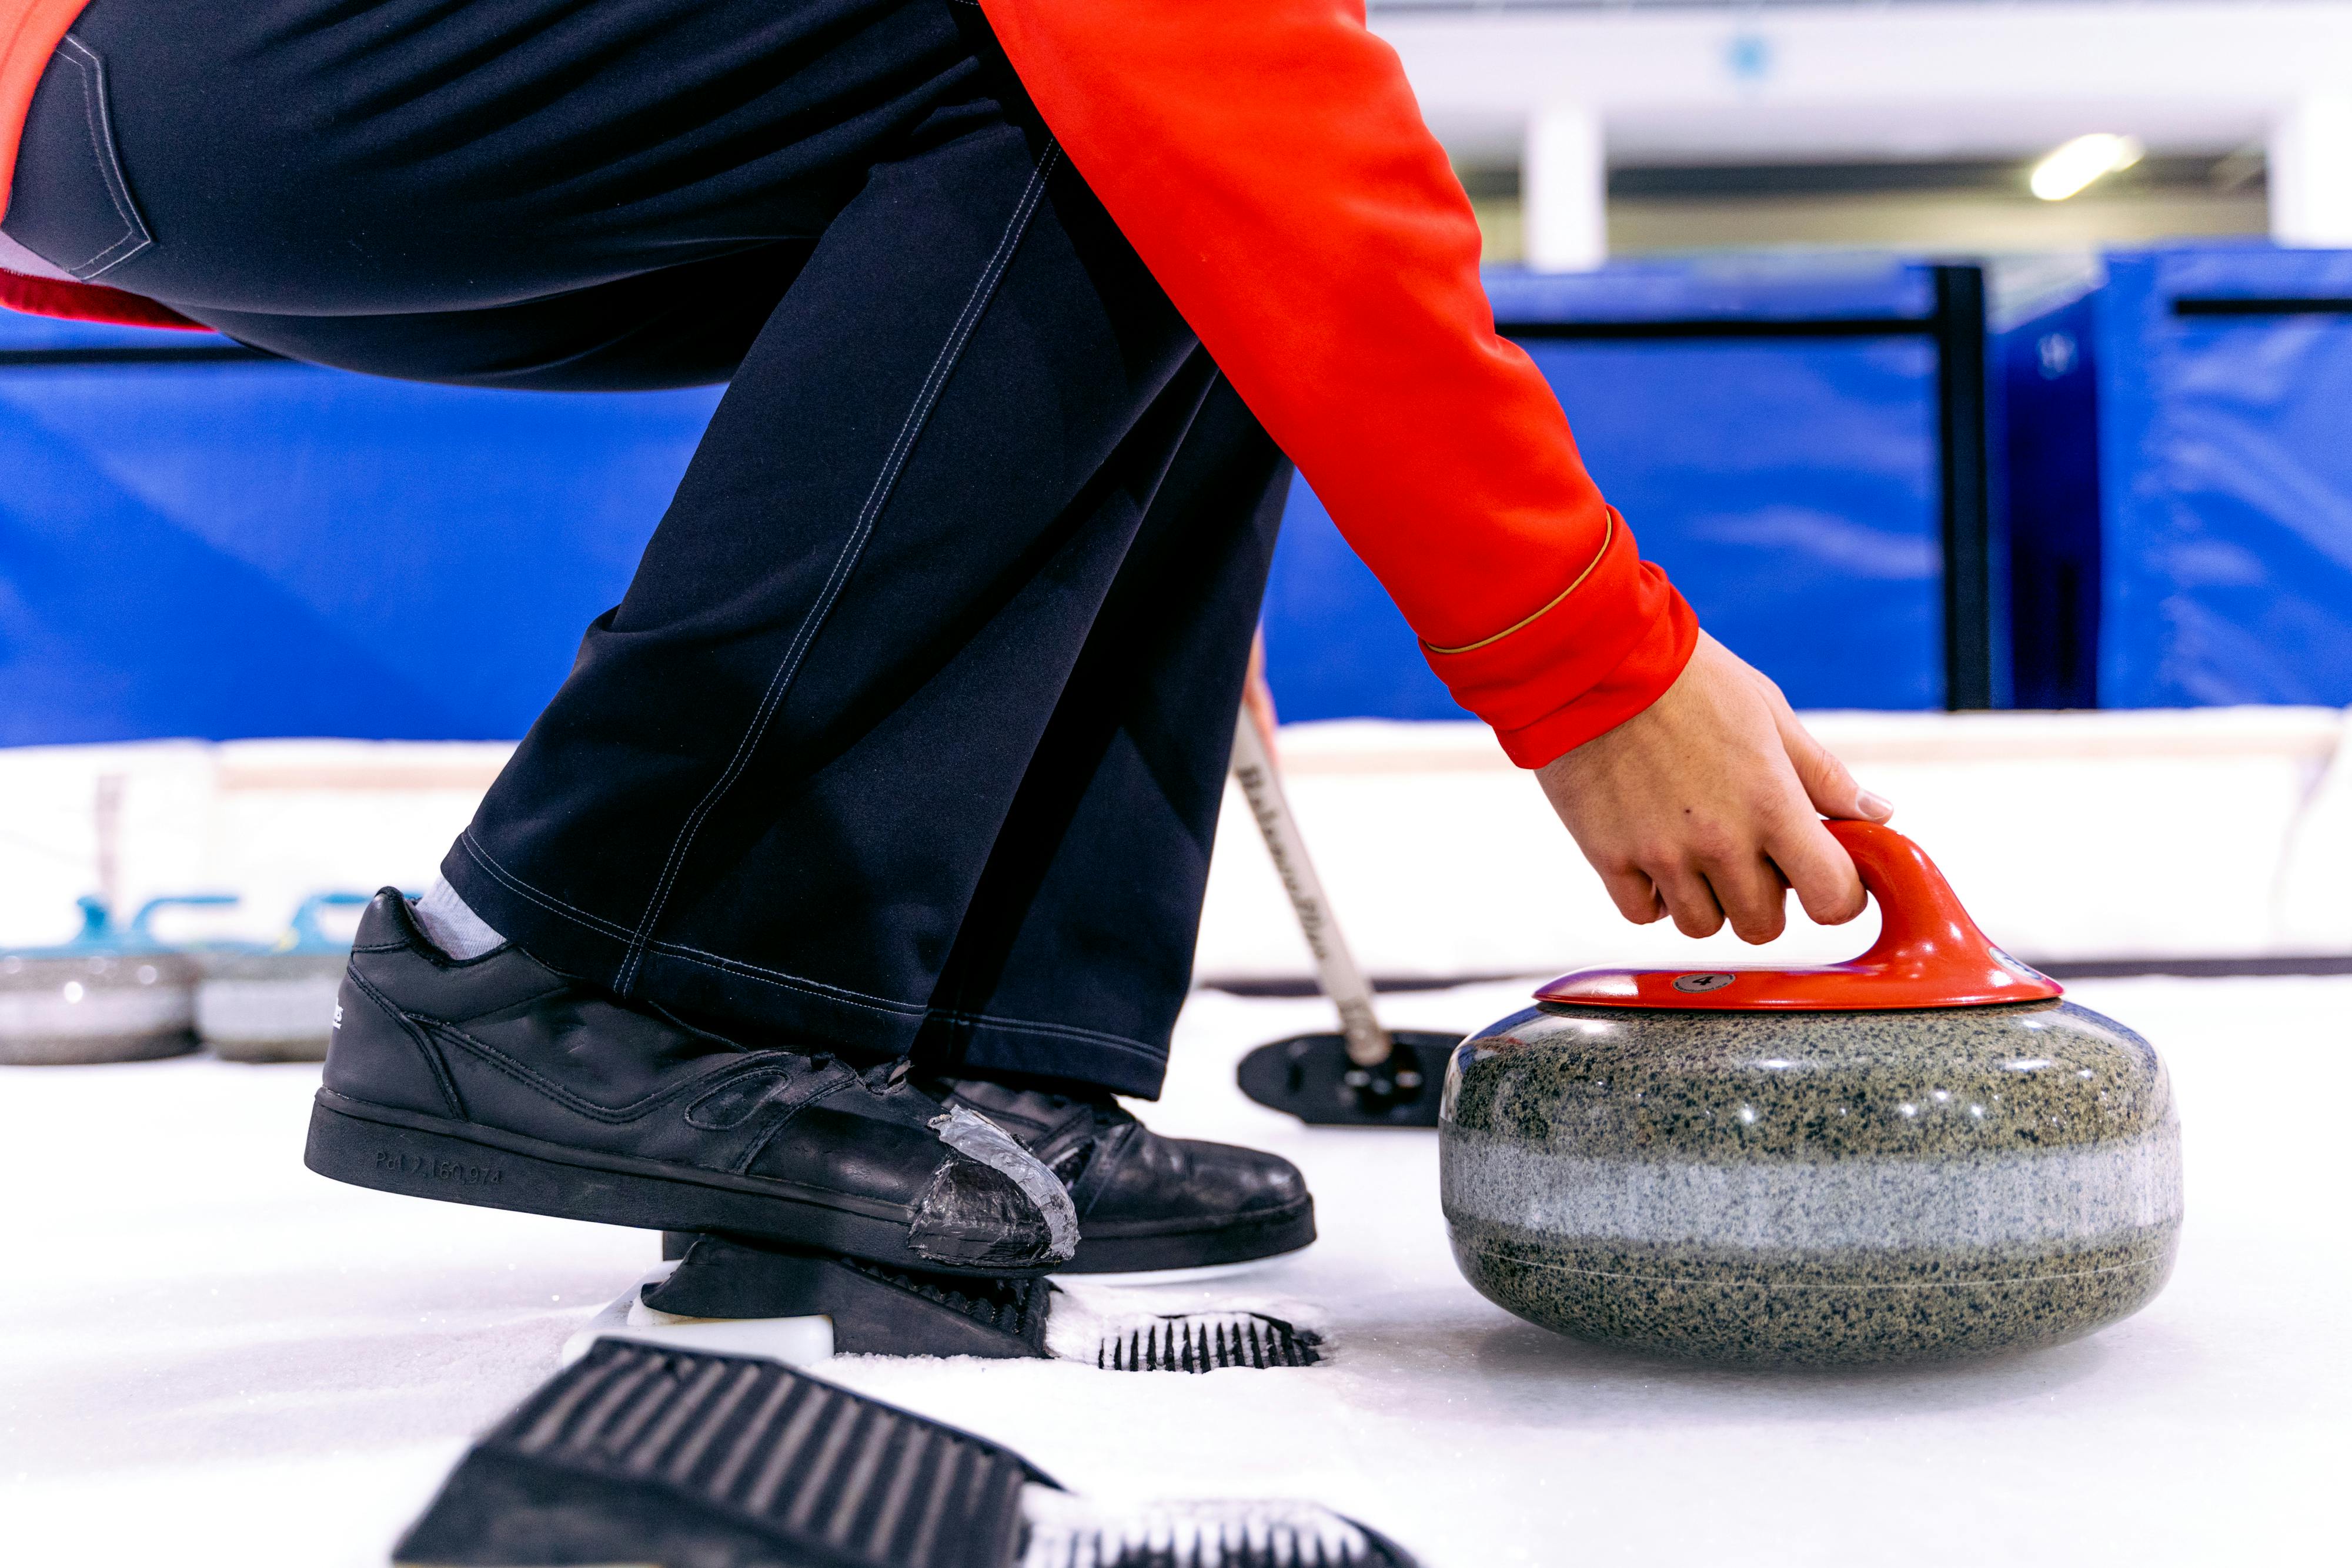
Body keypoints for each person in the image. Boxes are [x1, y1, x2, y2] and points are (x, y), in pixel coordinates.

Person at [0, 0, 1890, 1276]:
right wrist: (1594, 669)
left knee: (1190, 168)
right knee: (1124, 84)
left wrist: (1094, 530)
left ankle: (955, 1048)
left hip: (225, 86)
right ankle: (583, 972)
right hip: (185, 54)